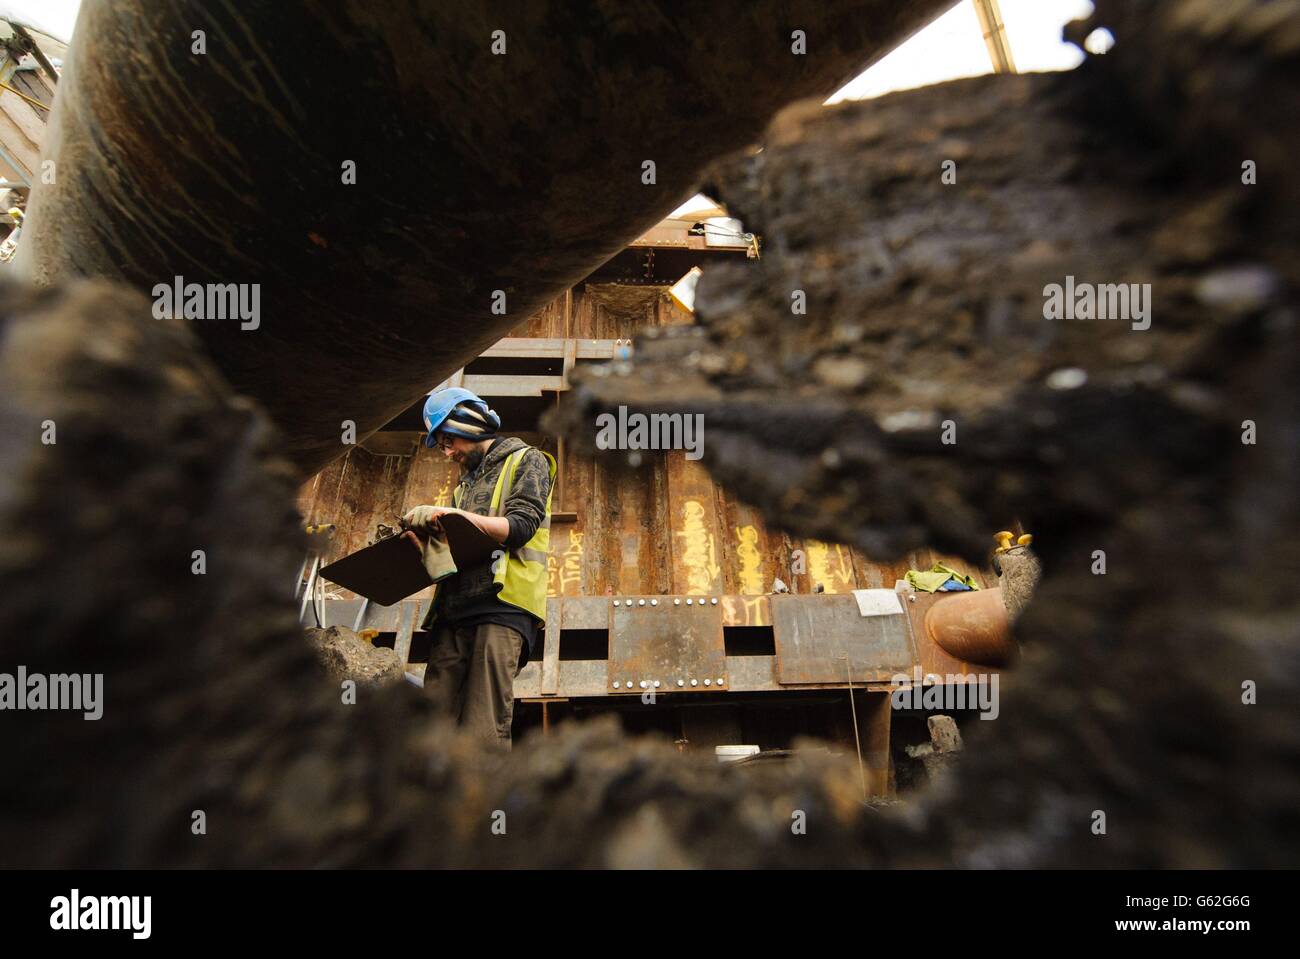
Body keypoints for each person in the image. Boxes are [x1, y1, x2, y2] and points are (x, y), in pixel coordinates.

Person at [402, 387, 555, 751]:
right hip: (453, 612)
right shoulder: (464, 485)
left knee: (482, 727)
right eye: (442, 445)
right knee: (434, 729)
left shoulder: (527, 460)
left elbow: (519, 528)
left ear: (470, 424)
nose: (448, 452)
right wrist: (425, 544)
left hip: (502, 607)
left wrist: (453, 516)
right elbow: (459, 549)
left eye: (448, 440)